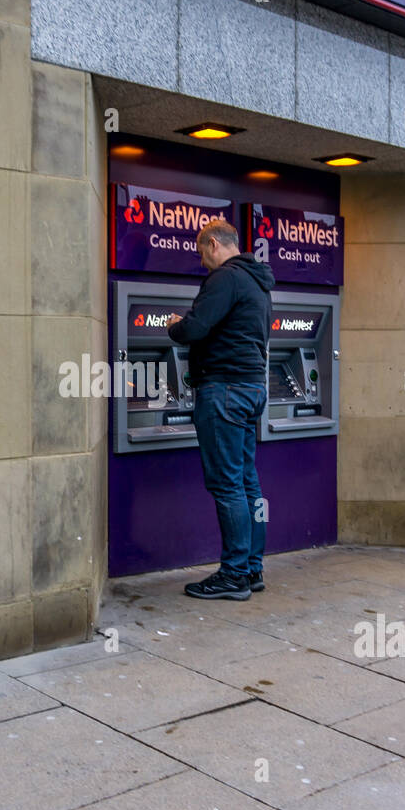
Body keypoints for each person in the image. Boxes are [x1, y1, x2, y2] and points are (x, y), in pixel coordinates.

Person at [166, 219, 275, 601]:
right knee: (247, 482)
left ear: (213, 244)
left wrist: (176, 325)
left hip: (224, 390)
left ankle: (233, 575)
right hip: (251, 388)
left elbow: (196, 328)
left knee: (227, 484)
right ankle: (252, 567)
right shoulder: (258, 283)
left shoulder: (225, 279)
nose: (202, 262)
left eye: (201, 253)